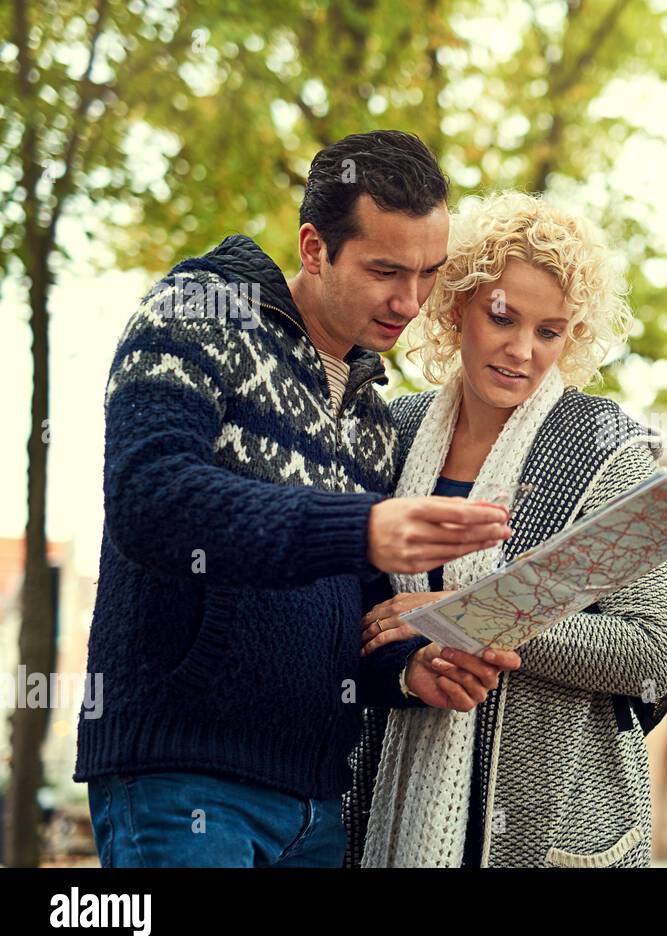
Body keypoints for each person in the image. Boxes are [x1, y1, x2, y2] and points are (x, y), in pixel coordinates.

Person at [75, 130, 520, 868]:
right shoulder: (198, 312)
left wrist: (412, 670)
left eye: (428, 273)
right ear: (315, 248)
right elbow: (149, 497)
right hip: (183, 784)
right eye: (385, 270)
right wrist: (362, 527)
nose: (409, 301)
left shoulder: (376, 420)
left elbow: (362, 613)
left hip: (317, 805)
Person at [352, 190, 667, 868]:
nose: (522, 351)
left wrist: (462, 618)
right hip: (387, 806)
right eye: (502, 317)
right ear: (456, 308)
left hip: (556, 830)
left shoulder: (609, 448)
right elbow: (363, 617)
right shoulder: (394, 431)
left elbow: (651, 653)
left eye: (550, 331)